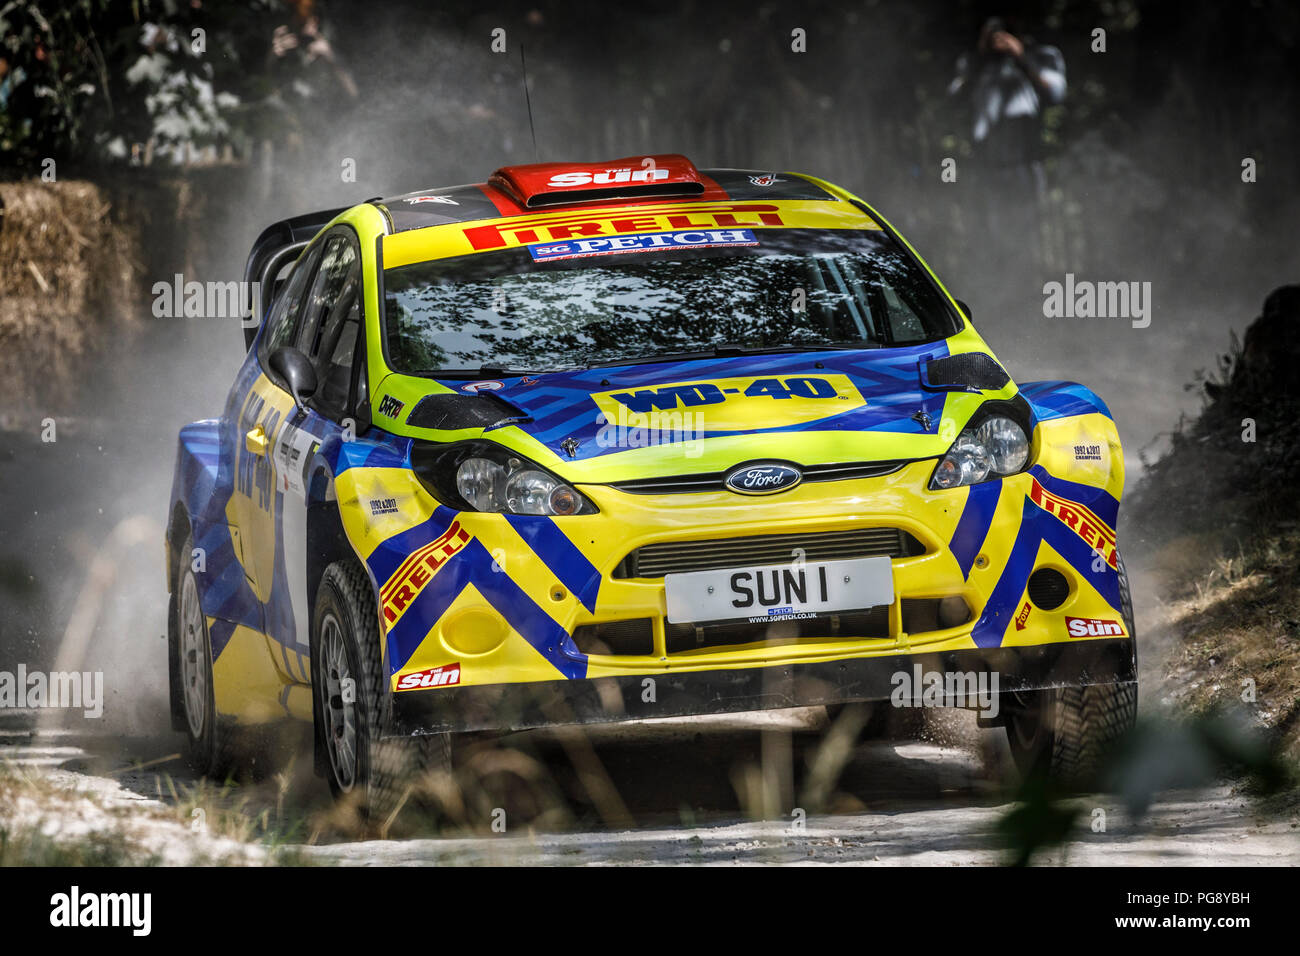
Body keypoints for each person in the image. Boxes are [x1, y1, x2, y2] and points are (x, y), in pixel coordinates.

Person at [949, 17, 1066, 269]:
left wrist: (1021, 57)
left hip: (1023, 165)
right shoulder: (974, 63)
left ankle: (1027, 292)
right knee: (989, 243)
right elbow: (954, 99)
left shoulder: (1042, 56)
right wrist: (980, 57)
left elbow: (1055, 93)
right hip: (986, 168)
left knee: (1026, 241)